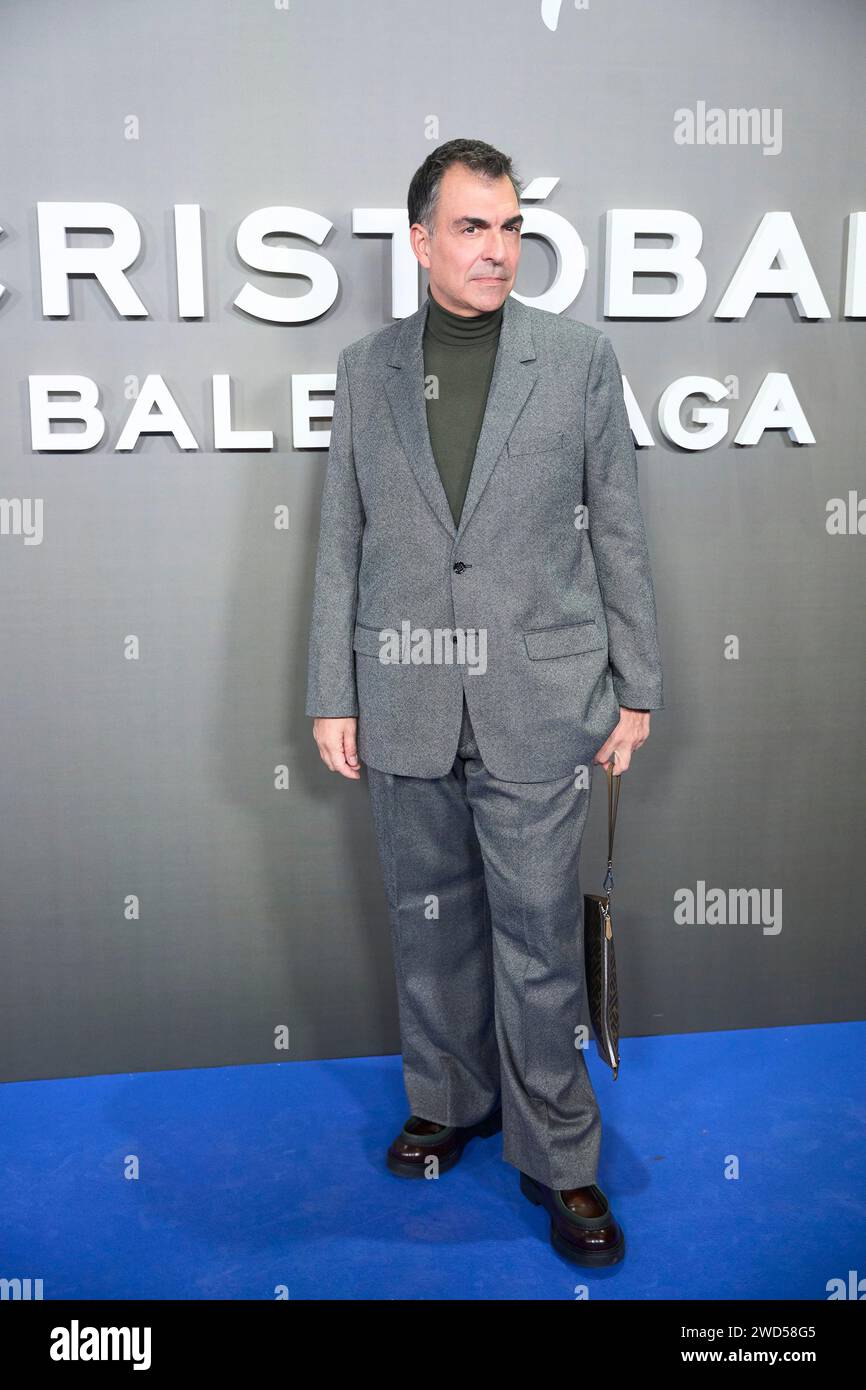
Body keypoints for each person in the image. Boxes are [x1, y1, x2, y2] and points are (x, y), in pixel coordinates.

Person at [305, 138, 663, 1267]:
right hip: (402, 692)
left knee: (539, 944)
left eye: (510, 227)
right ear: (419, 241)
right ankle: (448, 1099)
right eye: (471, 227)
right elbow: (339, 547)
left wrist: (635, 689)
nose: (496, 249)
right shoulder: (366, 371)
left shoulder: (576, 360)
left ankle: (560, 1158)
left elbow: (616, 531)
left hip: (540, 698)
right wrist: (331, 690)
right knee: (428, 930)